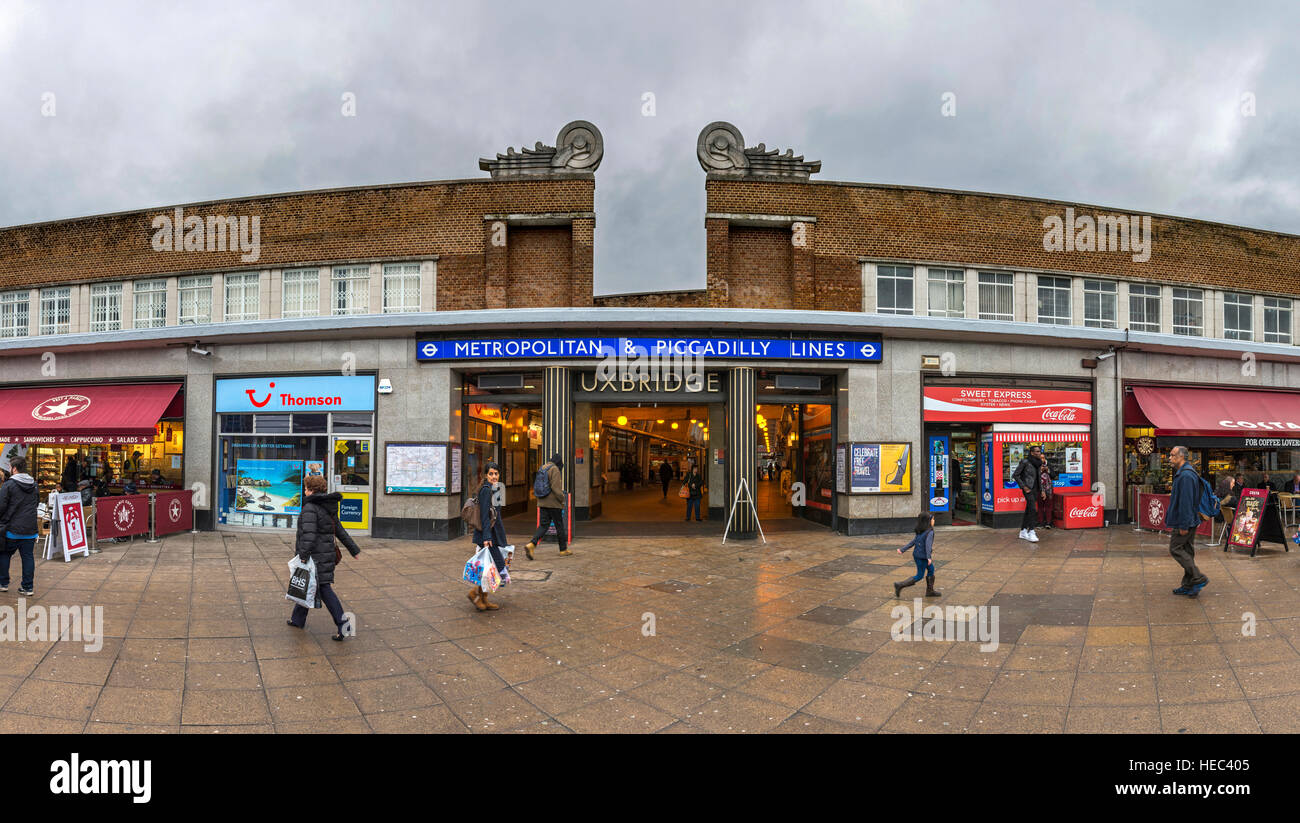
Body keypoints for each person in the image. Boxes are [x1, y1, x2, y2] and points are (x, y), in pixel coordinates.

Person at [287, 474, 361, 640]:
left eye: (305, 488)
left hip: (315, 557)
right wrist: (353, 549)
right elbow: (341, 531)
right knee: (306, 584)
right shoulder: (328, 507)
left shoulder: (310, 508)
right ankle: (297, 619)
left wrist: (303, 556)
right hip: (325, 555)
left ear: (311, 490)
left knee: (324, 589)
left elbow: (309, 535)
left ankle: (344, 625)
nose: (304, 491)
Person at [1165, 445, 1209, 597]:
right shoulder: (1184, 473)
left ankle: (1198, 578)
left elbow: (1186, 502)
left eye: (1172, 455)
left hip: (1184, 521)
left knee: (1175, 549)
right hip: (1189, 519)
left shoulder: (1186, 476)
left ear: (1181, 457)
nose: (1169, 458)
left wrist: (1183, 525)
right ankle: (1189, 585)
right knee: (1187, 551)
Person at [468, 462, 509, 611]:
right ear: (486, 475)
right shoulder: (486, 490)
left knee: (488, 567)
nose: (494, 476)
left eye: (496, 474)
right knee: (495, 566)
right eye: (491, 474)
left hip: (492, 535)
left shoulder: (495, 488)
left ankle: (483, 599)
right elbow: (485, 516)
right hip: (487, 536)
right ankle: (474, 593)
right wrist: (487, 537)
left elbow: (496, 515)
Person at [0, 457, 40, 596]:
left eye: (10, 467)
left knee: (4, 554)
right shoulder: (34, 485)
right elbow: (36, 503)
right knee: (28, 557)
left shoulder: (8, 485)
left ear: (14, 468)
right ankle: (28, 587)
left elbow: (1, 506)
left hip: (12, 528)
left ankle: (3, 583)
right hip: (30, 528)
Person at [524, 452, 570, 560]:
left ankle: (531, 544)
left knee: (544, 525)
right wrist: (562, 498)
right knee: (559, 526)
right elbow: (556, 488)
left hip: (542, 501)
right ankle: (563, 550)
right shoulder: (555, 469)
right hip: (553, 503)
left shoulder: (543, 467)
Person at [893, 512, 941, 598]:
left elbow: (913, 542)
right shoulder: (930, 532)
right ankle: (899, 585)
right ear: (928, 521)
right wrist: (928, 557)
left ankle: (930, 591)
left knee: (931, 569)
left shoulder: (921, 530)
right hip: (923, 557)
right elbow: (928, 545)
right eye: (933, 519)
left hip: (917, 555)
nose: (934, 520)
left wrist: (902, 549)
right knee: (919, 575)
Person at [1013, 445, 1044, 543]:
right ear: (1032, 453)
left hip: (1036, 489)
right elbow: (1015, 475)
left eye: (1039, 451)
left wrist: (1042, 490)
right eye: (1037, 451)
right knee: (1033, 509)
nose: (1039, 453)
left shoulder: (1038, 463)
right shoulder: (1025, 462)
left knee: (1029, 509)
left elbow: (1039, 478)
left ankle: (1022, 531)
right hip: (1028, 489)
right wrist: (1024, 487)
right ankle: (1031, 531)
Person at [1037, 456, 1054, 530]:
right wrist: (1040, 471)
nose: (1042, 459)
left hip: (1048, 489)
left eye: (1043, 458)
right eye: (1040, 458)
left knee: (1048, 506)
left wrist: (1048, 470)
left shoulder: (1049, 465)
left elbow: (1053, 475)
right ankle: (1040, 523)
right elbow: (1033, 477)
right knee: (1040, 506)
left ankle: (1048, 522)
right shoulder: (1035, 466)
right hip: (1039, 489)